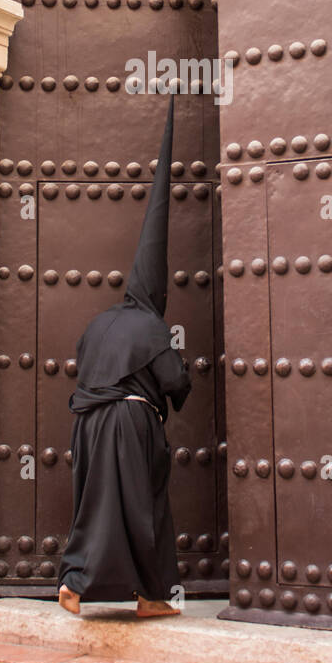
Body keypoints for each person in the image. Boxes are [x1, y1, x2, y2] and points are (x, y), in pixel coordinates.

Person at [56, 93, 192, 617]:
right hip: (130, 424)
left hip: (87, 424)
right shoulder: (152, 326)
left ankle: (75, 584)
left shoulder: (100, 322)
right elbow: (174, 382)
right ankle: (149, 596)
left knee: (96, 506)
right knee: (141, 505)